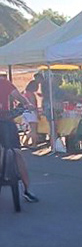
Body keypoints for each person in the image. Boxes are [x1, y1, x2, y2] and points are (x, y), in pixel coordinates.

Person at [0, 72, 39, 202]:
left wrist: (28, 104)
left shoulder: (4, 83)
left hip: (6, 121)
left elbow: (19, 97)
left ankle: (27, 189)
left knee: (18, 154)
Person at [21, 79, 40, 146]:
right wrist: (37, 113)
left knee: (31, 129)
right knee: (34, 129)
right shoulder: (31, 95)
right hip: (31, 113)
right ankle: (34, 144)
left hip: (25, 112)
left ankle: (26, 142)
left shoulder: (25, 93)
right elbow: (33, 105)